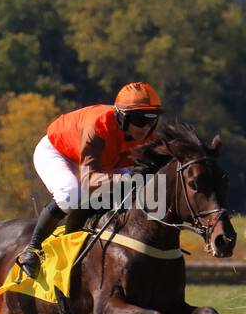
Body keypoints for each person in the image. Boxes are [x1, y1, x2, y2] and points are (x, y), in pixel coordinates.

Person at [17, 82, 163, 279]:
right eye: (139, 120)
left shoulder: (148, 135)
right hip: (59, 151)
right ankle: (32, 249)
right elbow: (90, 180)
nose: (145, 128)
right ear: (122, 117)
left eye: (151, 120)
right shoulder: (98, 126)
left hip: (105, 160)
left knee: (130, 195)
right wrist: (125, 180)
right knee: (70, 195)